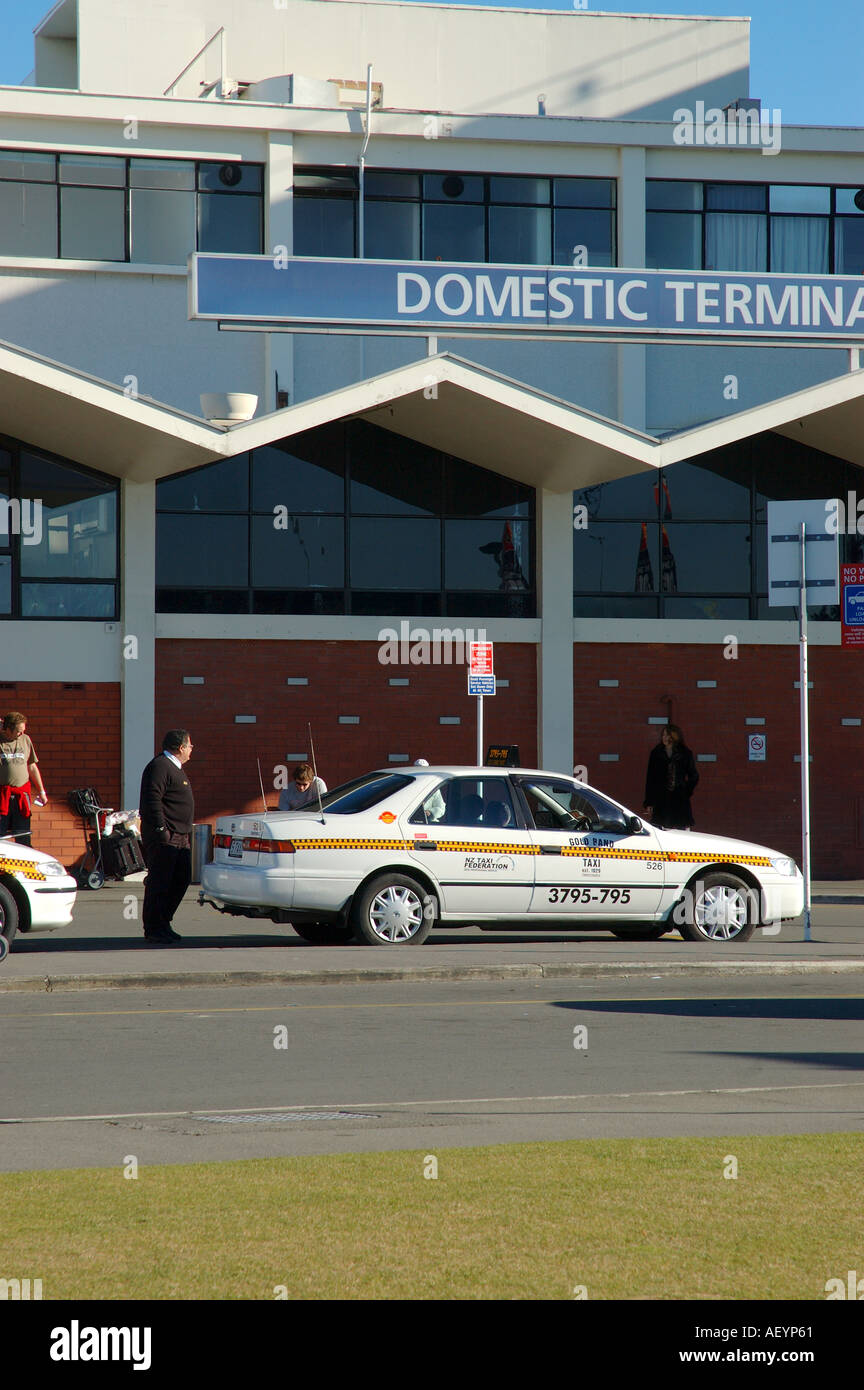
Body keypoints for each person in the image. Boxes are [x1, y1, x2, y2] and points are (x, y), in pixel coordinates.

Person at [139, 730, 195, 946]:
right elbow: (152, 799)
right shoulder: (160, 766)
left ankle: (164, 921)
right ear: (180, 747)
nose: (191, 750)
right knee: (159, 882)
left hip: (181, 835)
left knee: (181, 878)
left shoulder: (176, 768)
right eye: (190, 746)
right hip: (166, 835)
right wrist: (162, 829)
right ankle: (154, 927)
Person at [0, 712, 48, 846]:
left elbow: (32, 767)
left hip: (22, 794)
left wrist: (42, 791)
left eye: (23, 731)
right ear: (8, 729)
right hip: (2, 795)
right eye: (18, 731)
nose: (21, 734)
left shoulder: (25, 740)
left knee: (23, 835)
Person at [643, 723, 699, 830]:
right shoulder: (656, 753)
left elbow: (694, 775)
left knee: (680, 830)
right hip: (661, 798)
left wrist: (686, 791)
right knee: (660, 828)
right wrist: (649, 802)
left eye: (668, 735)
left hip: (679, 799)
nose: (665, 738)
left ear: (674, 737)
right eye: (663, 735)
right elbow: (650, 779)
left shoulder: (685, 753)